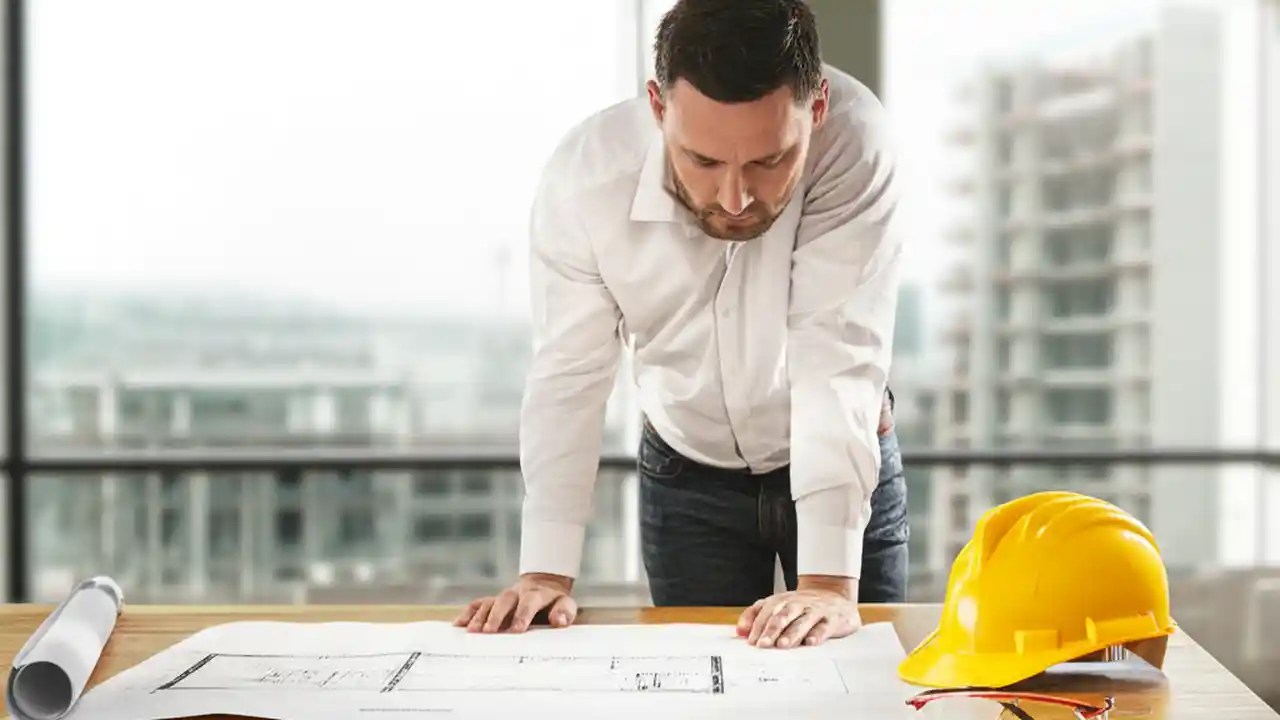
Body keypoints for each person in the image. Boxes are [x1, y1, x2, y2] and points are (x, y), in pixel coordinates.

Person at [455, 0, 907, 650]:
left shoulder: (856, 142)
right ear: (658, 107)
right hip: (687, 478)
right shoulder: (586, 179)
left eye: (769, 161)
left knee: (865, 675)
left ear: (817, 108)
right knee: (702, 685)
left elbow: (835, 353)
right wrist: (545, 573)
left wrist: (830, 586)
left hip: (847, 455)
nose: (735, 198)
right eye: (703, 160)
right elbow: (569, 374)